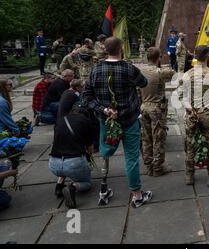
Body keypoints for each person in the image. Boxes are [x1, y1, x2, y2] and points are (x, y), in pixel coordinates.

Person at [83, 37, 151, 207]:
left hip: (106, 121)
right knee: (131, 158)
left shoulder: (95, 70)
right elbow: (143, 82)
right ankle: (137, 194)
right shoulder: (128, 68)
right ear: (121, 49)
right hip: (129, 120)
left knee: (105, 154)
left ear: (105, 49)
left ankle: (104, 189)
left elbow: (86, 97)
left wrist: (104, 110)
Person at [179, 45, 209, 187]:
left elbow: (181, 96)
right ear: (208, 56)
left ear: (194, 57)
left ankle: (189, 177)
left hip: (192, 115)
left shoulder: (186, 75)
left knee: (190, 146)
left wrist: (189, 108)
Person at [48, 106, 94, 208]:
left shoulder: (60, 120)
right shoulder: (85, 121)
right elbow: (90, 148)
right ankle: (72, 187)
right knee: (86, 183)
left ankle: (59, 185)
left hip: (53, 164)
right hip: (73, 164)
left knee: (63, 160)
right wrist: (88, 158)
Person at [140, 47, 176, 177]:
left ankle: (149, 165)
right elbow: (173, 73)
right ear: (158, 58)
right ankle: (158, 167)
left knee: (146, 138)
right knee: (158, 138)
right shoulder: (160, 72)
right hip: (156, 109)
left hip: (144, 107)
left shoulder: (140, 71)